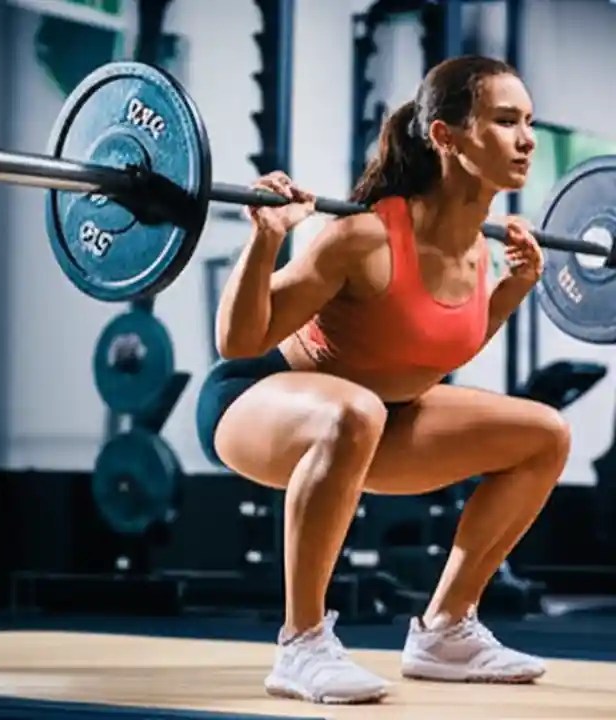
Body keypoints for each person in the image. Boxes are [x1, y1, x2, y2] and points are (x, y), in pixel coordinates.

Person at [198, 55, 563, 704]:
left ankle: (446, 630)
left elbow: (434, 345)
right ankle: (301, 643)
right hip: (257, 397)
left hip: (377, 417)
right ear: (446, 137)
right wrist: (266, 240)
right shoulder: (363, 238)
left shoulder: (475, 246)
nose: (526, 138)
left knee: (544, 435)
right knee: (354, 412)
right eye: (505, 121)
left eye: (528, 121)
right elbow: (237, 341)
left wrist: (516, 287)